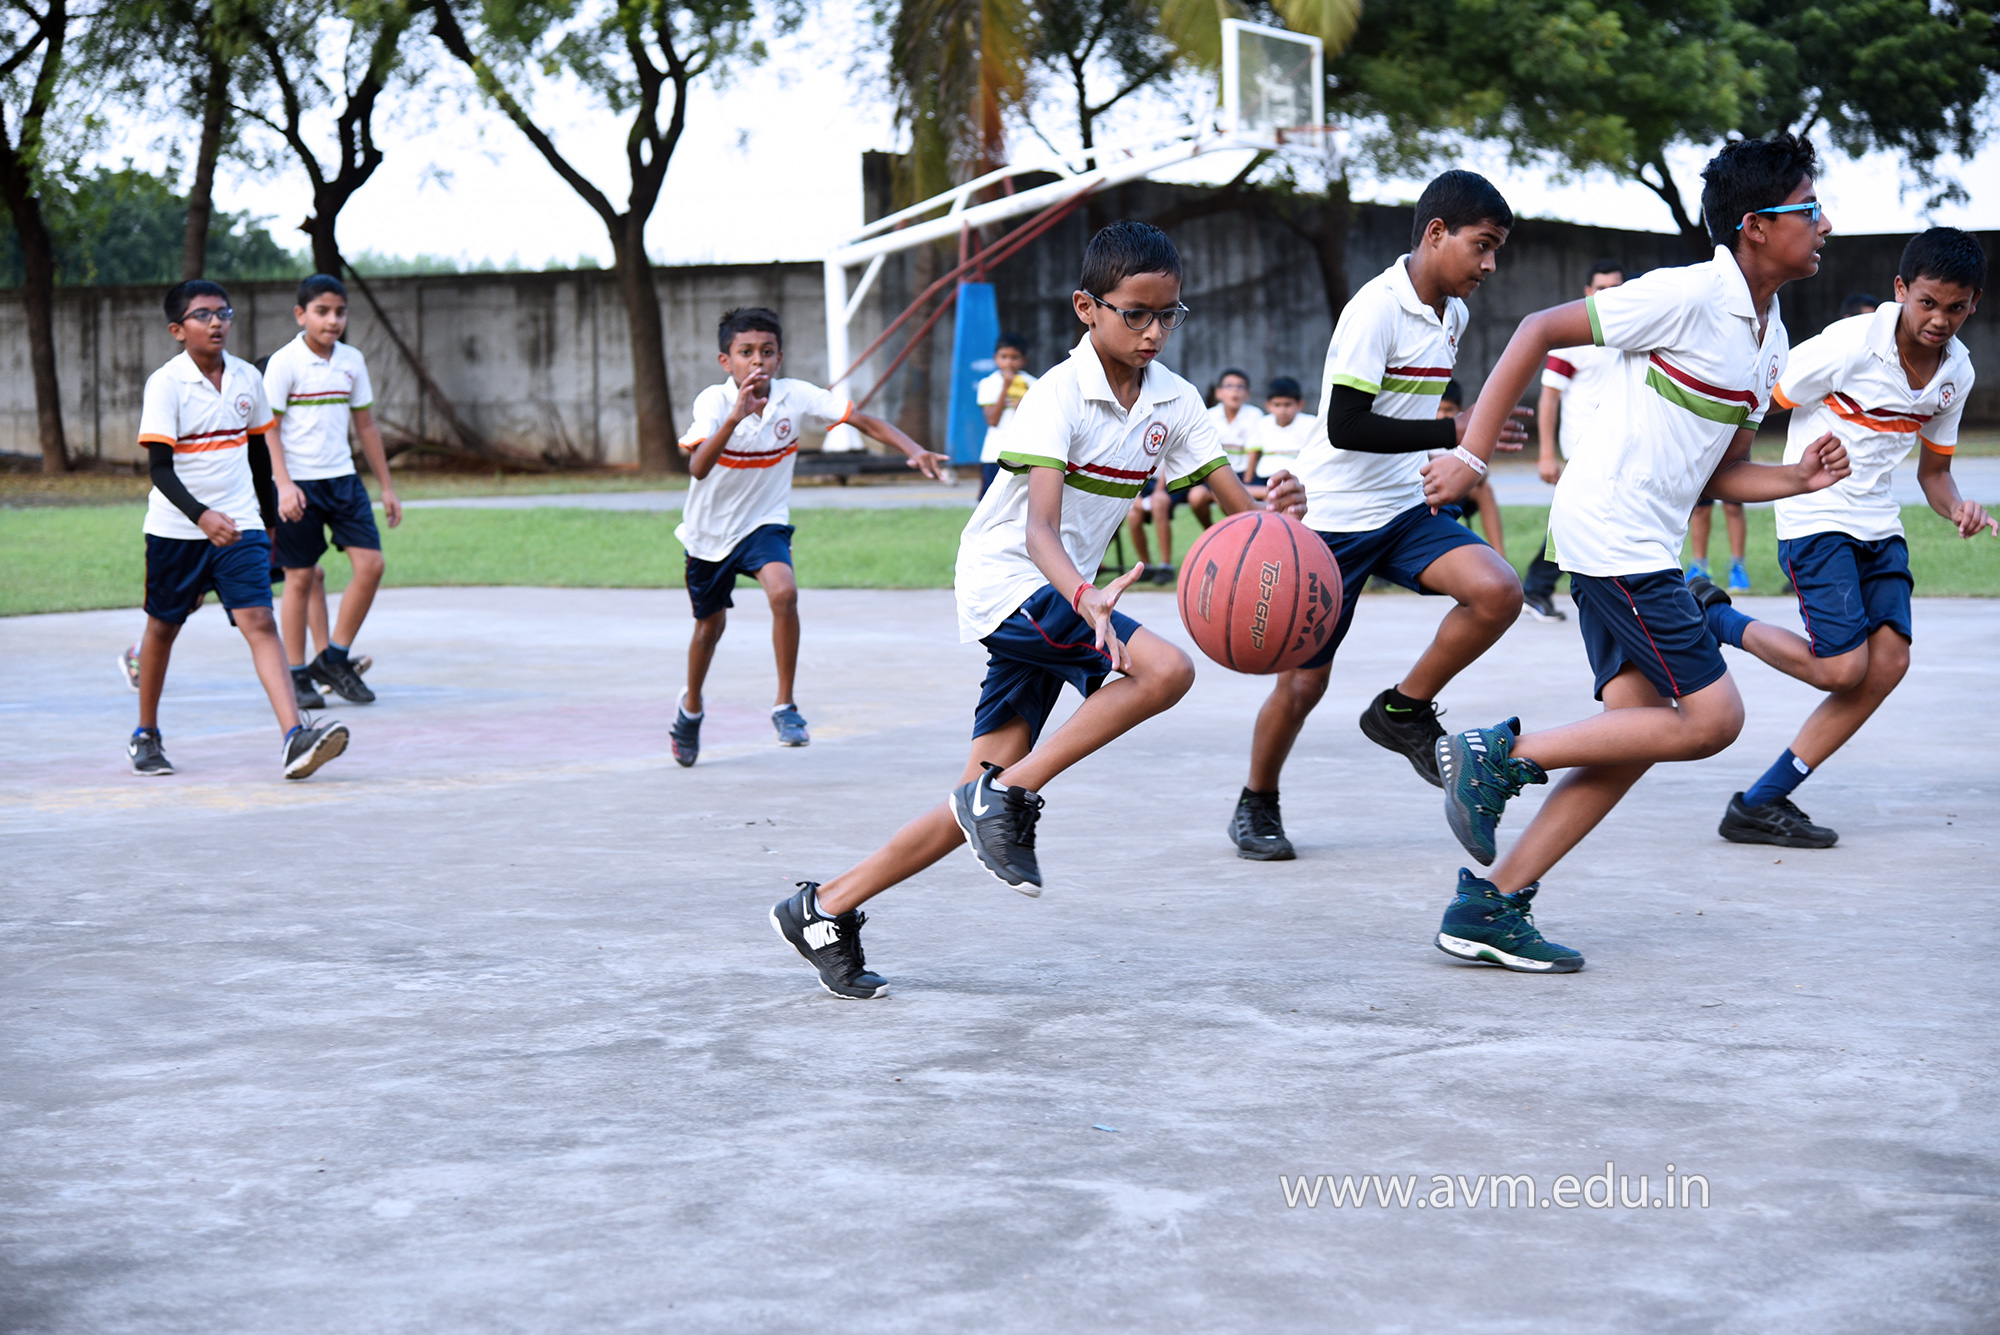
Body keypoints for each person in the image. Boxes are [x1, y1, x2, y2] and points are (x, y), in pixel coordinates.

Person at [769, 220, 1304, 999]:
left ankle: (823, 907)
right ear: (1088, 307)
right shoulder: (1056, 397)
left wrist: (1280, 509)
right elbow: (1038, 528)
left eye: (1169, 315)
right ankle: (1011, 795)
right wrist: (1085, 594)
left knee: (968, 798)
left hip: (1058, 597)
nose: (1155, 331)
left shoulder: (1176, 401)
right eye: (1136, 314)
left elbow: (1237, 515)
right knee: (1165, 669)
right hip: (1012, 581)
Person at [1422, 132, 1846, 974]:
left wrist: (1795, 477)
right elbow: (1541, 328)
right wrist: (1473, 453)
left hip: (1637, 536)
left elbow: (1723, 474)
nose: (1826, 222)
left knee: (1637, 732)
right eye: (1810, 208)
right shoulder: (1688, 295)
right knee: (1714, 720)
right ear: (1758, 225)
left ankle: (1492, 905)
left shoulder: (1769, 342)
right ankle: (1501, 754)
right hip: (1616, 535)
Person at [1227, 170, 1530, 863]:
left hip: (1403, 505)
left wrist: (1458, 434)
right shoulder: (1376, 309)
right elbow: (1344, 425)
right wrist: (1455, 432)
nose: (1489, 265)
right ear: (1435, 233)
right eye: (1482, 246)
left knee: (1498, 591)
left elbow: (1415, 419)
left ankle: (1401, 709)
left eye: (1497, 251)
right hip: (1332, 519)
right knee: (1304, 682)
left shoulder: (1453, 311)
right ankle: (1256, 802)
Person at [1696, 227, 1991, 848]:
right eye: (1928, 303)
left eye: (1956, 307)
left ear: (1975, 303)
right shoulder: (1849, 345)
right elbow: (1758, 401)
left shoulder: (1955, 373)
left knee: (1888, 663)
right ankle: (1715, 617)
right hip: (1815, 514)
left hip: (1878, 524)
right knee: (1841, 668)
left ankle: (1762, 801)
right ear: (1902, 290)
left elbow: (1933, 474)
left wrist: (1959, 507)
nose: (1940, 320)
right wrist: (1715, 474)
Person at [670, 307, 945, 766]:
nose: (757, 361)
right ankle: (691, 707)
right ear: (726, 362)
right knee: (709, 628)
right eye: (745, 353)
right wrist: (736, 417)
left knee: (784, 592)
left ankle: (785, 706)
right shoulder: (713, 404)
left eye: (767, 351)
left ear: (780, 358)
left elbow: (864, 421)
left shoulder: (795, 397)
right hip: (708, 535)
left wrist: (913, 450)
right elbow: (697, 468)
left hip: (763, 523)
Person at [129, 279, 350, 779]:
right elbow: (160, 469)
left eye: (223, 313)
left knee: (259, 622)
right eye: (203, 315)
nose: (216, 322)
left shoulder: (249, 377)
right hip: (177, 530)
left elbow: (257, 458)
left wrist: (268, 525)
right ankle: (146, 733)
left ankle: (295, 737)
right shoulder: (166, 384)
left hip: (242, 525)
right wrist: (201, 516)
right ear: (177, 330)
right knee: (163, 628)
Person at [264, 274, 401, 711]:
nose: (333, 320)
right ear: (300, 314)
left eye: (340, 311)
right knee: (300, 577)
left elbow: (365, 424)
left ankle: (335, 658)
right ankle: (297, 672)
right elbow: (270, 429)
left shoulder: (352, 361)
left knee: (372, 565)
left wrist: (387, 486)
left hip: (343, 480)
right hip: (299, 485)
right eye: (322, 311)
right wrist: (283, 484)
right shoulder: (284, 363)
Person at [1526, 259, 1628, 621]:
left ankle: (1545, 590)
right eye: (1602, 289)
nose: (1610, 295)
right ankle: (1537, 588)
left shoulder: (1634, 330)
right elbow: (1549, 397)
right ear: (1588, 292)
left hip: (1624, 446)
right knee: (1581, 520)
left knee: (1599, 522)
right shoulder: (1572, 335)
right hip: (1583, 448)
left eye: (1617, 288)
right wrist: (1547, 454)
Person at [1434, 379, 1503, 551]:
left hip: (1460, 488)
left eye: (1448, 410)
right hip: (1428, 489)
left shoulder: (1465, 433)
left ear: (1460, 410)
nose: (1442, 415)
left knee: (1484, 490)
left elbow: (1482, 471)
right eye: (1438, 409)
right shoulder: (1425, 429)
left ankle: (1500, 555)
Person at [1187, 368, 1263, 523]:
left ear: (1247, 393)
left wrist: (1246, 482)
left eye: (1240, 387)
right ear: (1219, 393)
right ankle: (1211, 532)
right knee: (1196, 497)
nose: (1234, 391)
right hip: (1215, 474)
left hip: (1243, 475)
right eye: (1229, 386)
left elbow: (1253, 452)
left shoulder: (1254, 415)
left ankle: (1239, 531)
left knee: (1232, 497)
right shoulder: (1209, 415)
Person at [975, 332, 1035, 499]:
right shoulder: (989, 383)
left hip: (1023, 451)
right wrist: (1006, 387)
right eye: (1004, 356)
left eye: (1014, 357)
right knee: (990, 500)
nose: (1008, 362)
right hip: (994, 452)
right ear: (995, 358)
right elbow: (992, 420)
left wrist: (1022, 405)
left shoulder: (1033, 383)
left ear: (1024, 360)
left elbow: (1035, 420)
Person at [1243, 375, 1313, 497]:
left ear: (1300, 404)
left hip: (1297, 478)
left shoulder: (1310, 423)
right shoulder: (1262, 423)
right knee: (1239, 492)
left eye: (1287, 405)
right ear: (1268, 405)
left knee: (1274, 498)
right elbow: (1253, 453)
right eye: (1277, 405)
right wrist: (1247, 481)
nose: (1282, 410)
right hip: (1264, 478)